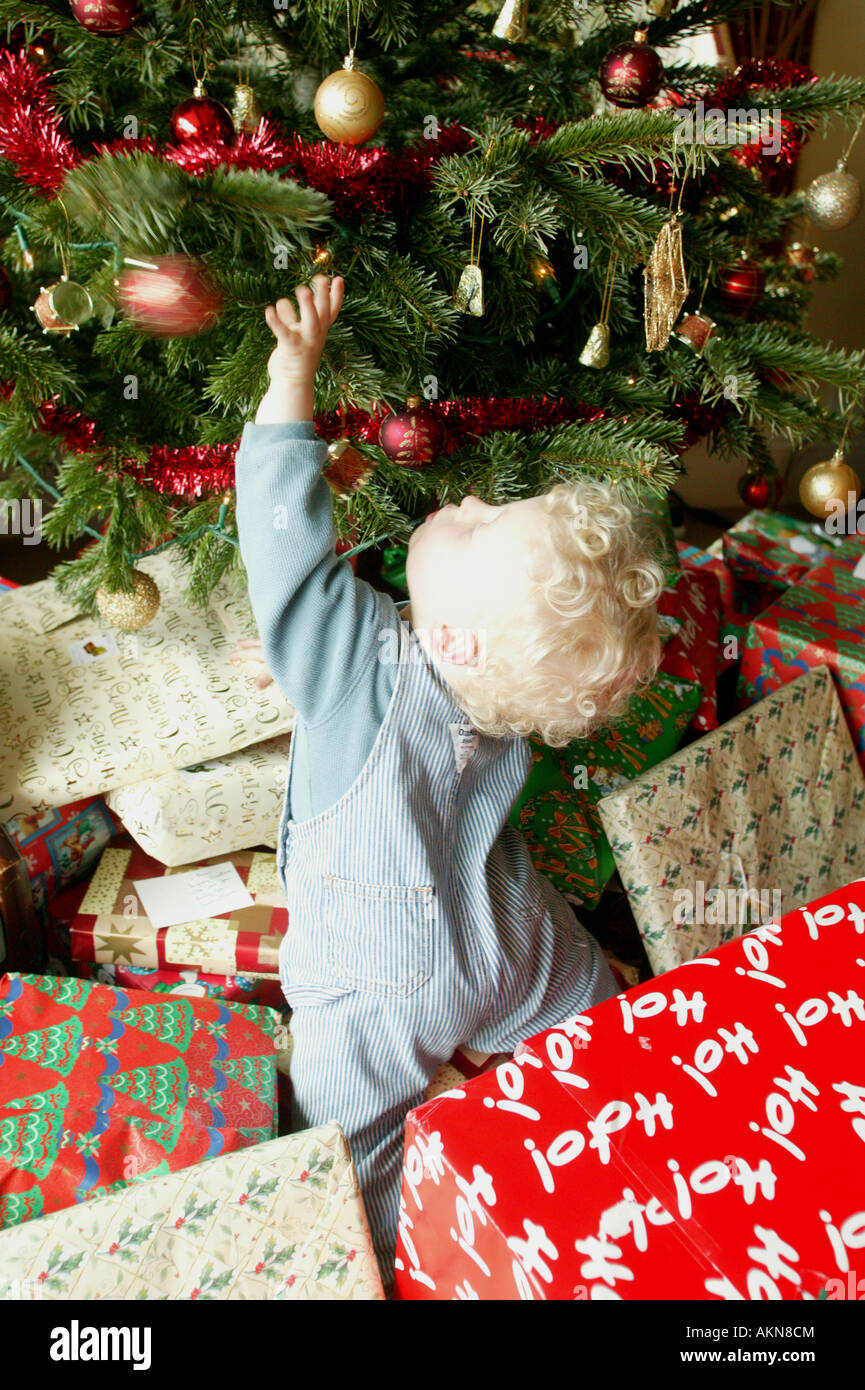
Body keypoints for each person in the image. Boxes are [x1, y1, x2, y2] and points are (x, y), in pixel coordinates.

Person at [232, 273, 665, 1291]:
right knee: (603, 1018)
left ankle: (388, 1258)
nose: (464, 498)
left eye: (474, 523)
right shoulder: (492, 686)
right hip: (507, 933)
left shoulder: (359, 658)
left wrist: (291, 381)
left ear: (455, 634)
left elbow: (284, 555)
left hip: (381, 972)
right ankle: (645, 1111)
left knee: (342, 1145)